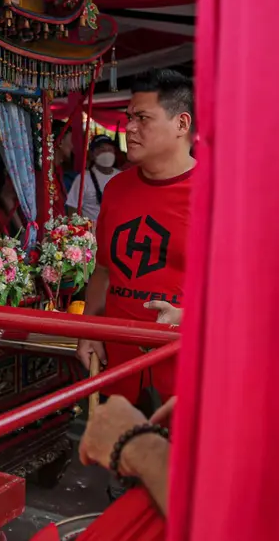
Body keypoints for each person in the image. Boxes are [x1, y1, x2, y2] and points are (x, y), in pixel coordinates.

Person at [75, 69, 196, 409]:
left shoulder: (216, 193)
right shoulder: (117, 188)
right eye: (129, 117)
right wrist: (90, 328)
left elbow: (247, 290)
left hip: (185, 370)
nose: (128, 128)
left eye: (143, 118)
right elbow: (103, 270)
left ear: (181, 124)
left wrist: (191, 316)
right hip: (120, 367)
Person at [66, 135, 121, 224]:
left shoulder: (122, 176)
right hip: (93, 233)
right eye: (102, 150)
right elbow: (72, 209)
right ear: (92, 154)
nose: (106, 153)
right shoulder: (83, 178)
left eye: (110, 149)